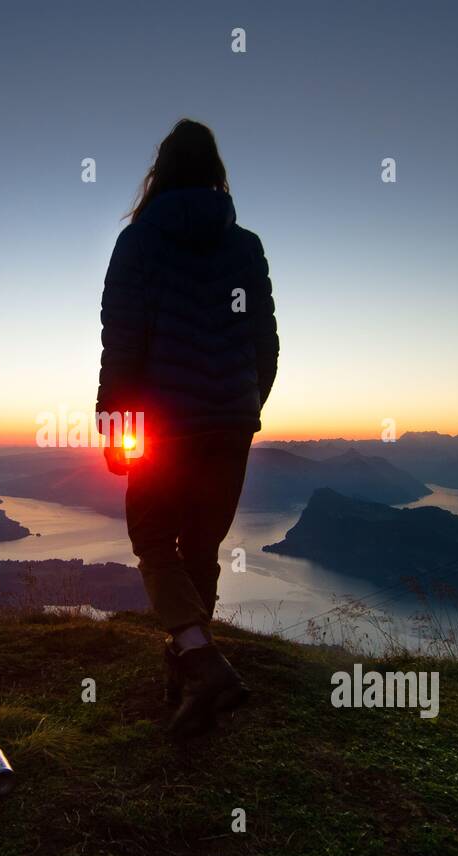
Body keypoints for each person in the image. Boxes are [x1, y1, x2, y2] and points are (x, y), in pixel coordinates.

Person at [96, 118, 278, 738]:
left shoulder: (139, 242)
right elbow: (265, 342)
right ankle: (189, 677)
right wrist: (245, 405)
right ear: (216, 174)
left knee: (151, 541)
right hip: (230, 422)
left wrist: (114, 418)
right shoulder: (245, 246)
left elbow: (121, 342)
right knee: (200, 546)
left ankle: (201, 662)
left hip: (166, 425)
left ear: (160, 172)